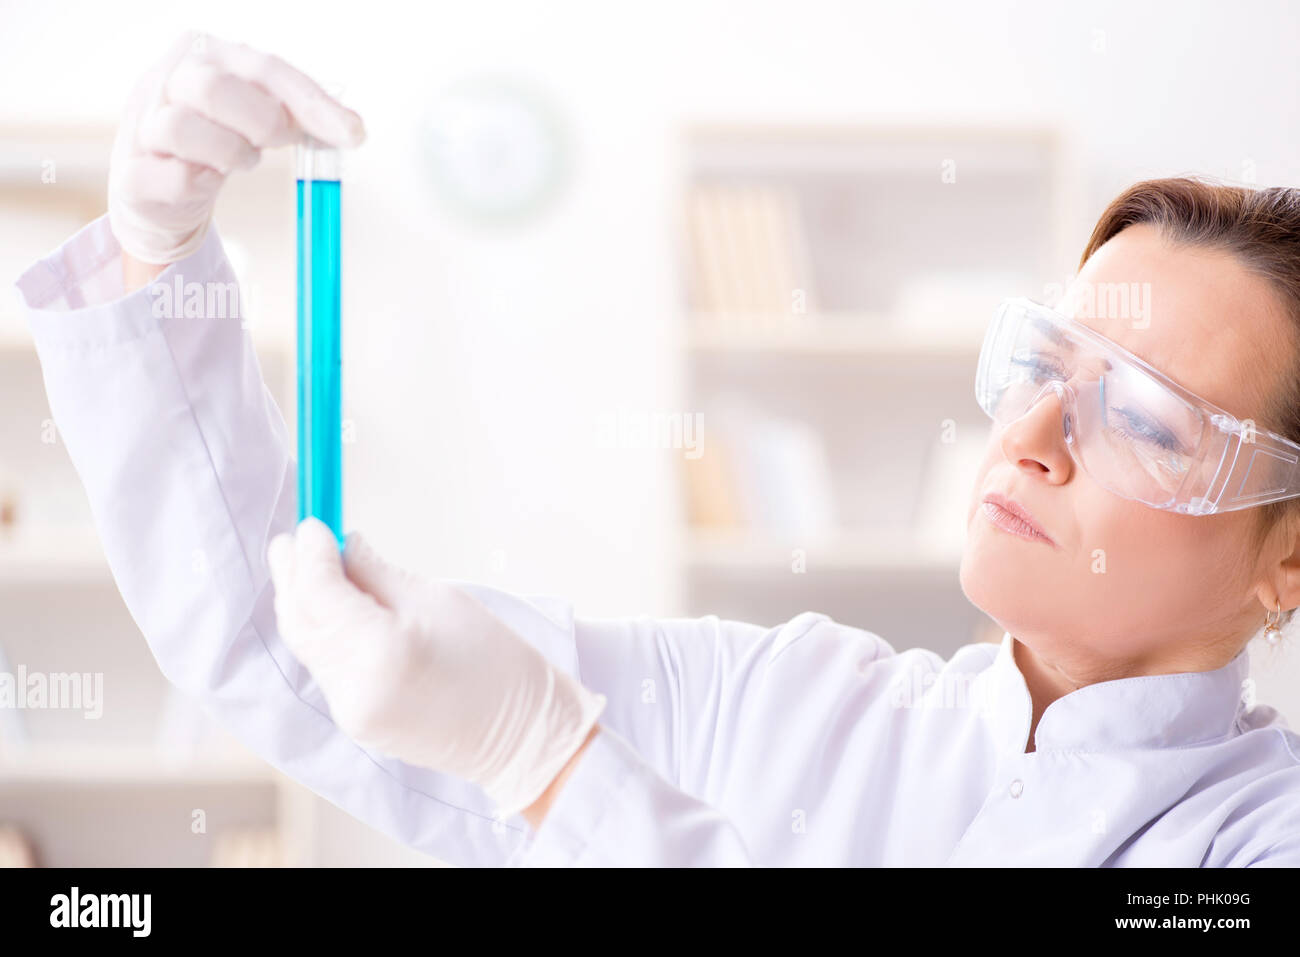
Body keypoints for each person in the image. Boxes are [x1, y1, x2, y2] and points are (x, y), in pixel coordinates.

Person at [13, 32, 1300, 867]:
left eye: (1137, 417)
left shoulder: (1256, 846)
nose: (1027, 442)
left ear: (1284, 560)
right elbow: (293, 647)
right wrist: (157, 261)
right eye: (1038, 370)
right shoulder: (786, 702)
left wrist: (555, 767)